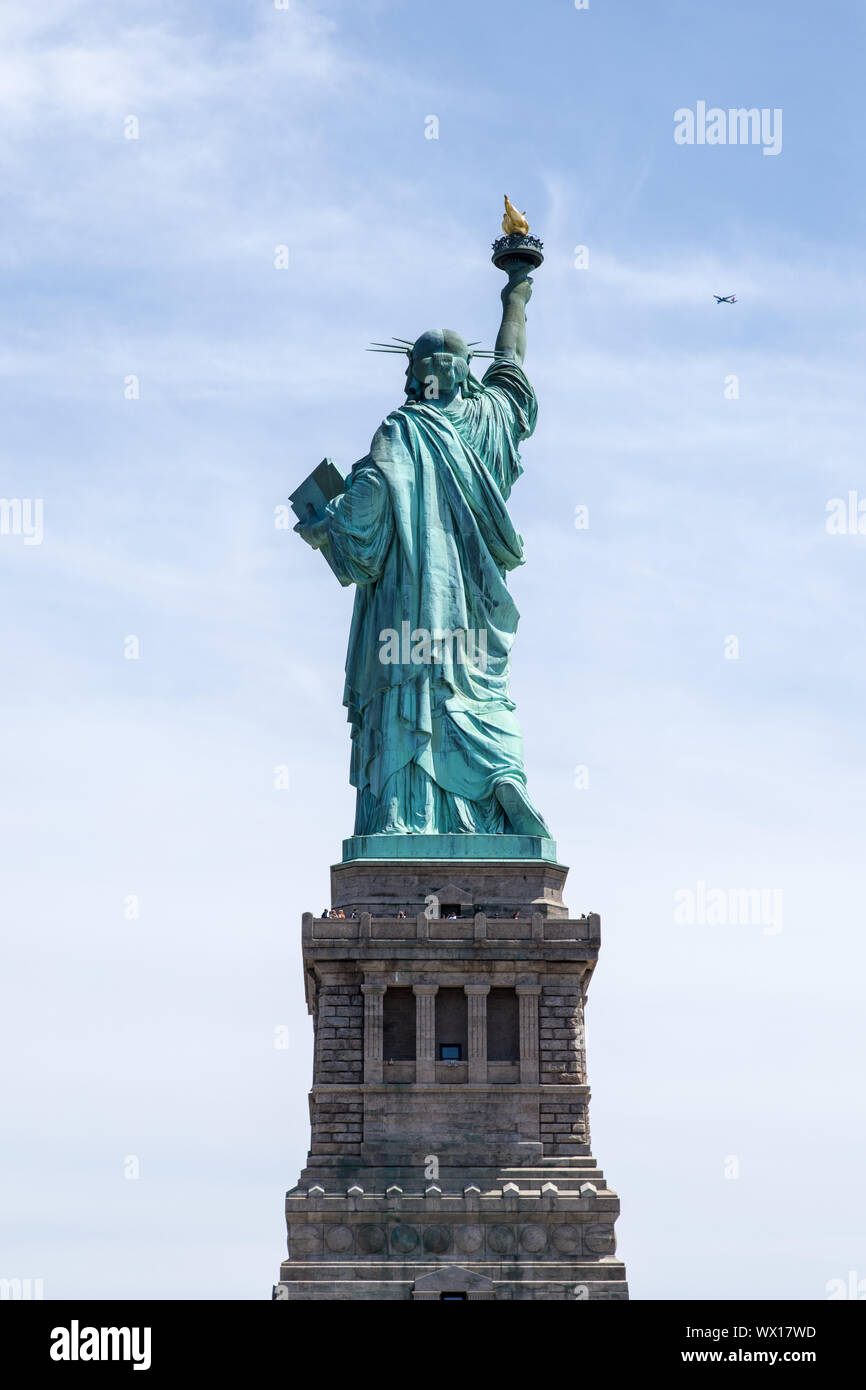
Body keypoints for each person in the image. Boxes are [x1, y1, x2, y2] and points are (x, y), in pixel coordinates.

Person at [295, 265, 549, 840]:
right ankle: (495, 777)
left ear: (415, 379)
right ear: (465, 373)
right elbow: (511, 364)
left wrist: (321, 523)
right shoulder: (487, 423)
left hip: (407, 615)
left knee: (407, 688)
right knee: (473, 691)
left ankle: (401, 816)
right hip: (471, 617)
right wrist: (517, 287)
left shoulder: (401, 431)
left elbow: (364, 511)